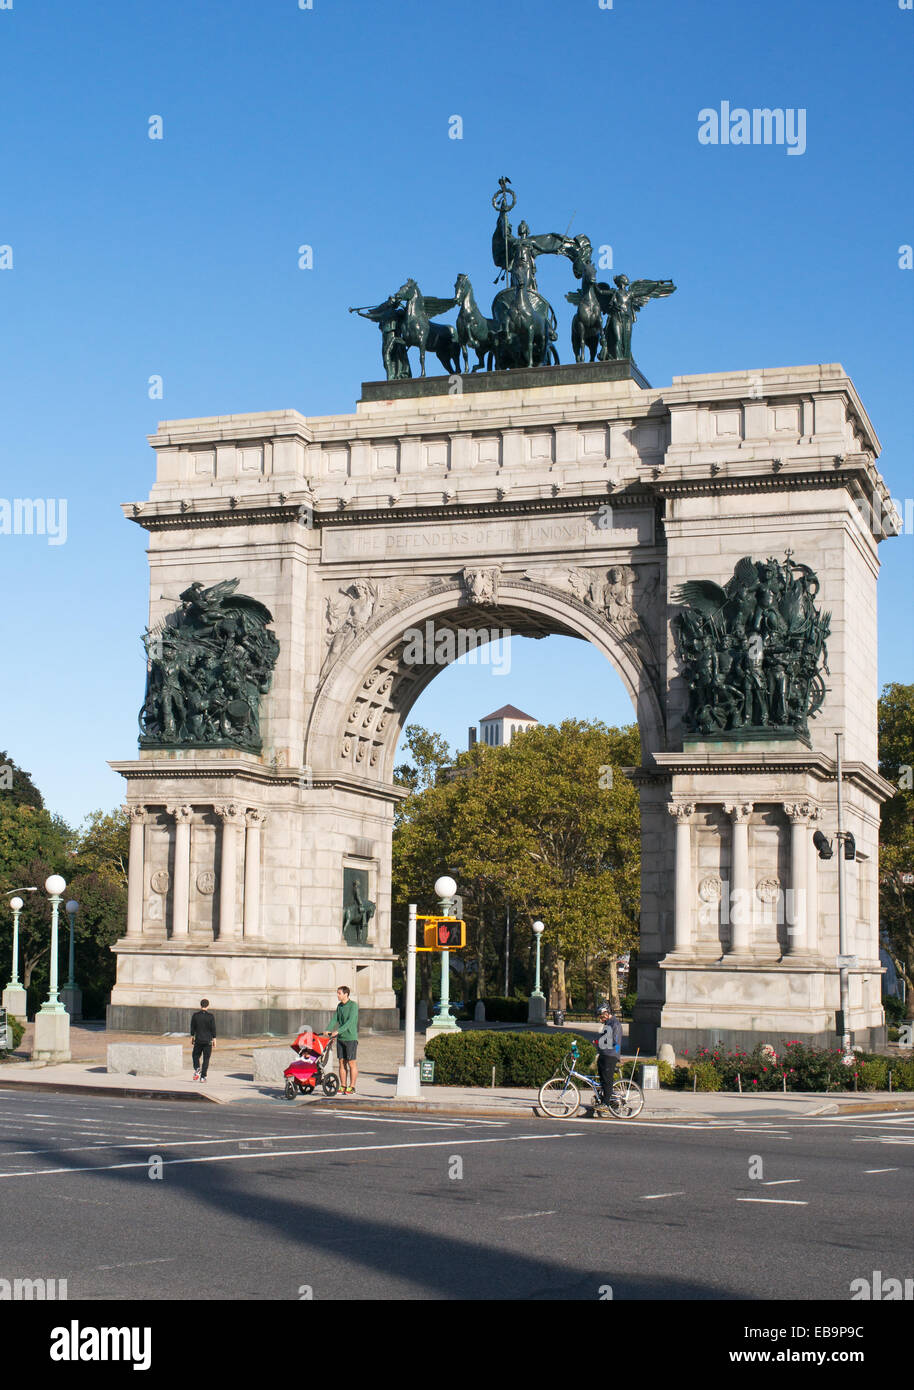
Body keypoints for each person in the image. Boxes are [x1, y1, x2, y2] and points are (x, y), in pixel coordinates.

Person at [326, 985, 359, 1095]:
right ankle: (343, 1085)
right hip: (341, 1039)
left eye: (339, 993)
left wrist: (338, 1031)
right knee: (341, 1062)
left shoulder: (353, 1006)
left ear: (346, 994)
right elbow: (334, 1019)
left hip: (350, 1038)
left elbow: (350, 1022)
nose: (337, 995)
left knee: (351, 1062)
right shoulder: (339, 1006)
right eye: (337, 993)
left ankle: (352, 1087)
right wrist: (328, 1029)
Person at [595, 1005, 622, 1115]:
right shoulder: (607, 1024)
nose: (600, 1018)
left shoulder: (615, 1024)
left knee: (607, 1079)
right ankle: (606, 1099)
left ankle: (605, 1104)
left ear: (606, 1013)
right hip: (604, 1053)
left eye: (601, 1016)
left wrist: (616, 1054)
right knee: (602, 1079)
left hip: (610, 1055)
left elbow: (616, 1042)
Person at [190, 998, 216, 1082]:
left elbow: (192, 1027)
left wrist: (192, 1036)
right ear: (208, 1005)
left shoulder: (195, 1015)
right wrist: (214, 1039)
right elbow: (213, 1028)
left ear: (201, 1005)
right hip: (208, 1040)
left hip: (198, 1040)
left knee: (195, 1055)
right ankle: (203, 1077)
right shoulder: (210, 1016)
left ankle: (197, 1068)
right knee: (206, 1059)